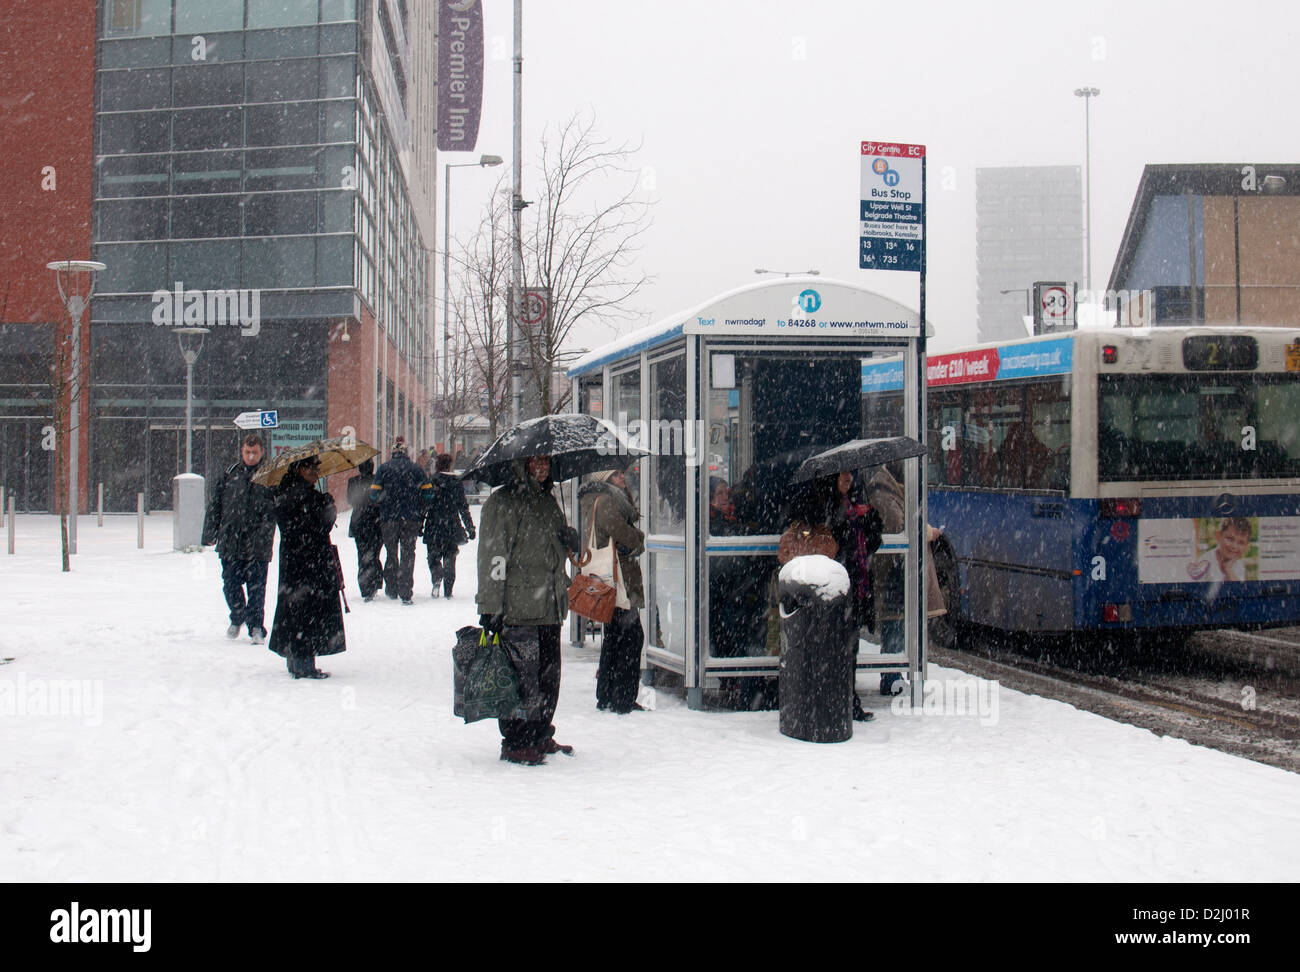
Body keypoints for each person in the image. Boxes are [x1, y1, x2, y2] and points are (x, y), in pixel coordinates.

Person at [476, 454, 581, 765]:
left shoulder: (548, 502)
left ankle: (539, 732)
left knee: (549, 676)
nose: (542, 468)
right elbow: (493, 556)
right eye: (535, 462)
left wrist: (568, 540)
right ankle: (517, 739)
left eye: (546, 463)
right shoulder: (502, 503)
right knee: (521, 679)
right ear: (521, 465)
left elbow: (552, 550)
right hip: (518, 606)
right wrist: (491, 605)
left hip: (549, 604)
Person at [863, 463, 946, 696]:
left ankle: (894, 675)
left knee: (899, 627)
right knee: (895, 627)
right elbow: (897, 526)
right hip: (893, 573)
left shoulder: (892, 490)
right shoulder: (883, 493)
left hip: (900, 572)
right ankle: (891, 677)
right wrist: (927, 532)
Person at [267, 456, 346, 679]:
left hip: (294, 559)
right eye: (311, 468)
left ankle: (296, 658)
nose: (315, 472)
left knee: (294, 608)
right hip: (309, 559)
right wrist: (327, 506)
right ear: (299, 469)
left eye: (317, 468)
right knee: (308, 610)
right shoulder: (306, 496)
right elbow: (319, 526)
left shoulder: (285, 492)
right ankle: (303, 662)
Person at [578, 468, 646, 713]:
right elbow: (623, 533)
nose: (622, 478)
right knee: (631, 636)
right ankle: (622, 697)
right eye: (616, 474)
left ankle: (608, 693)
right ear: (604, 478)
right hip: (618, 581)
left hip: (612, 578)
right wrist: (639, 537)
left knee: (615, 636)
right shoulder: (607, 501)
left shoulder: (601, 499)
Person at [201, 433, 276, 644]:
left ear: (262, 452)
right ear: (241, 451)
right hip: (230, 541)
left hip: (257, 543)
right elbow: (216, 504)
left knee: (257, 588)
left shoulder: (270, 476)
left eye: (254, 452)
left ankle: (255, 626)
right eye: (247, 452)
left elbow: (278, 507)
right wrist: (210, 532)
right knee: (230, 583)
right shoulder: (230, 474)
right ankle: (237, 615)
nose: (251, 456)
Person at [369, 436, 431, 605]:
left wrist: (385, 501)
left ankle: (392, 588)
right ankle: (406, 592)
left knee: (391, 553)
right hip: (411, 518)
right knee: (408, 554)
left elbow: (373, 494)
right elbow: (428, 493)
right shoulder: (416, 469)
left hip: (389, 518)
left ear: (393, 452)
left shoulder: (383, 469)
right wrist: (417, 502)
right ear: (406, 453)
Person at [422, 452, 476, 598]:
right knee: (450, 557)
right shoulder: (456, 482)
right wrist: (470, 527)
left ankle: (437, 576)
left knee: (433, 557)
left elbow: (425, 504)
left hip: (434, 524)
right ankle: (448, 590)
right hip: (452, 525)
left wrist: (420, 524)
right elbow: (463, 507)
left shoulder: (432, 480)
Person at [346, 458, 383, 601]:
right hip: (376, 521)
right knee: (374, 553)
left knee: (362, 554)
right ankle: (374, 581)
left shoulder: (353, 481)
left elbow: (350, 500)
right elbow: (381, 499)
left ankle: (365, 586)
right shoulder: (377, 480)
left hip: (359, 522)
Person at [1207, 517, 1250, 582]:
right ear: (1219, 536)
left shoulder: (1239, 565)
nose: (1234, 546)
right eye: (1230, 539)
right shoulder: (1205, 563)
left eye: (1241, 543)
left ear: (1246, 546)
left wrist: (1228, 570)